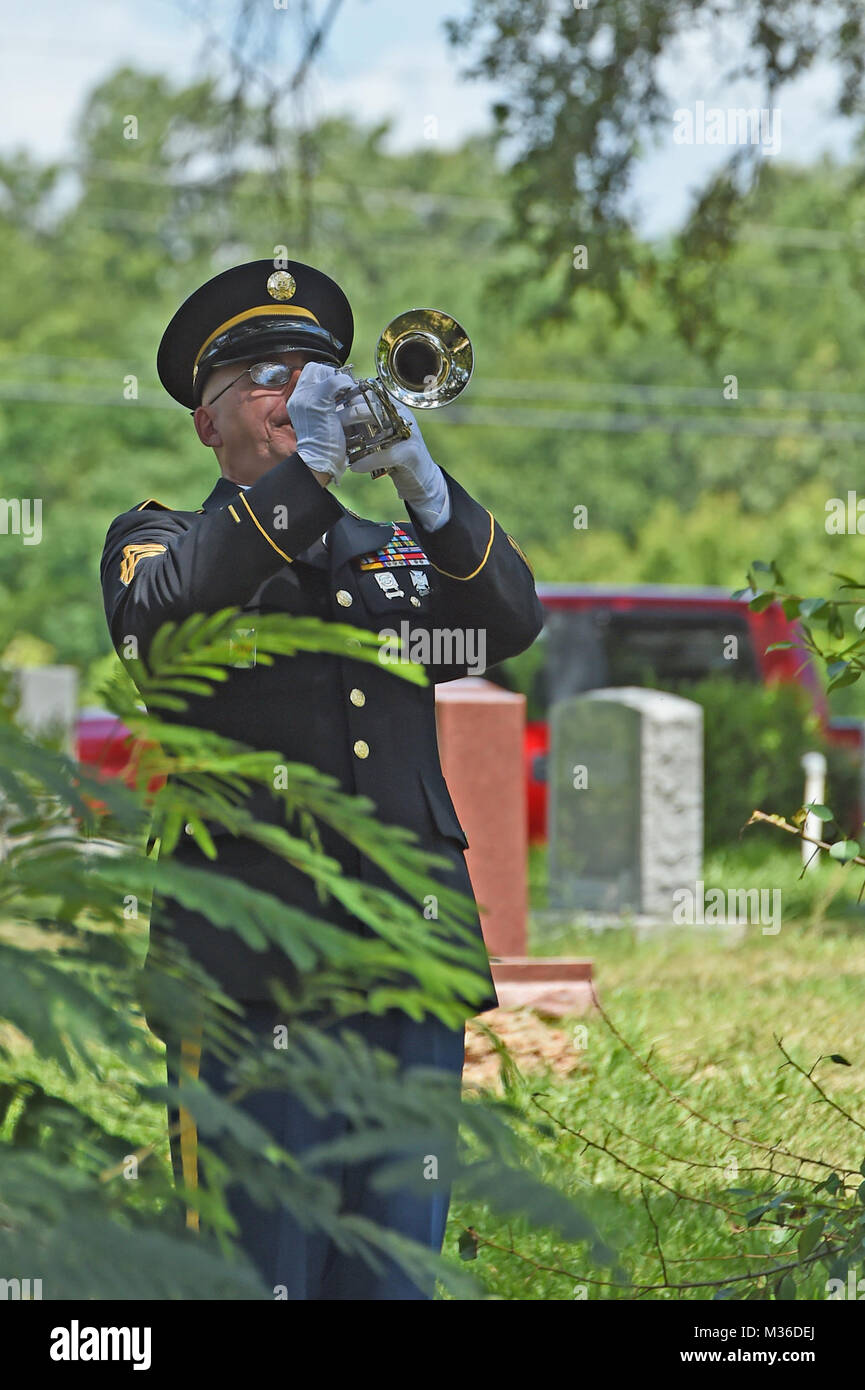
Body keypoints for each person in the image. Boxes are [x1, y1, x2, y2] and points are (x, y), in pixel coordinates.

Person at [100, 257, 544, 1299]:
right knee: (259, 1271)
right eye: (262, 375)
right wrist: (308, 482)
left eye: (313, 368)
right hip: (250, 970)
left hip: (406, 960)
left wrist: (426, 488)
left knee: (393, 1272)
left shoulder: (386, 551)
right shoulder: (156, 542)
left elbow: (507, 624)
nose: (296, 388)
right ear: (208, 424)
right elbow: (173, 615)